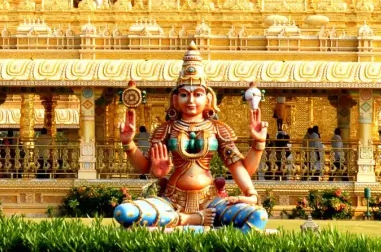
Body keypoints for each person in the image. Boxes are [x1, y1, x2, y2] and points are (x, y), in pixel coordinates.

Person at [112, 43, 268, 232]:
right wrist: (129, 143)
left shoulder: (217, 129)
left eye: (198, 94)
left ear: (208, 99)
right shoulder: (166, 129)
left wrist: (258, 144)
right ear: (175, 99)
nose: (191, 100)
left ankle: (206, 233)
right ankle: (189, 220)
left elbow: (242, 168)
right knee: (124, 212)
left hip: (211, 203)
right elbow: (145, 167)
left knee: (258, 215)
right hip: (171, 200)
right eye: (184, 94)